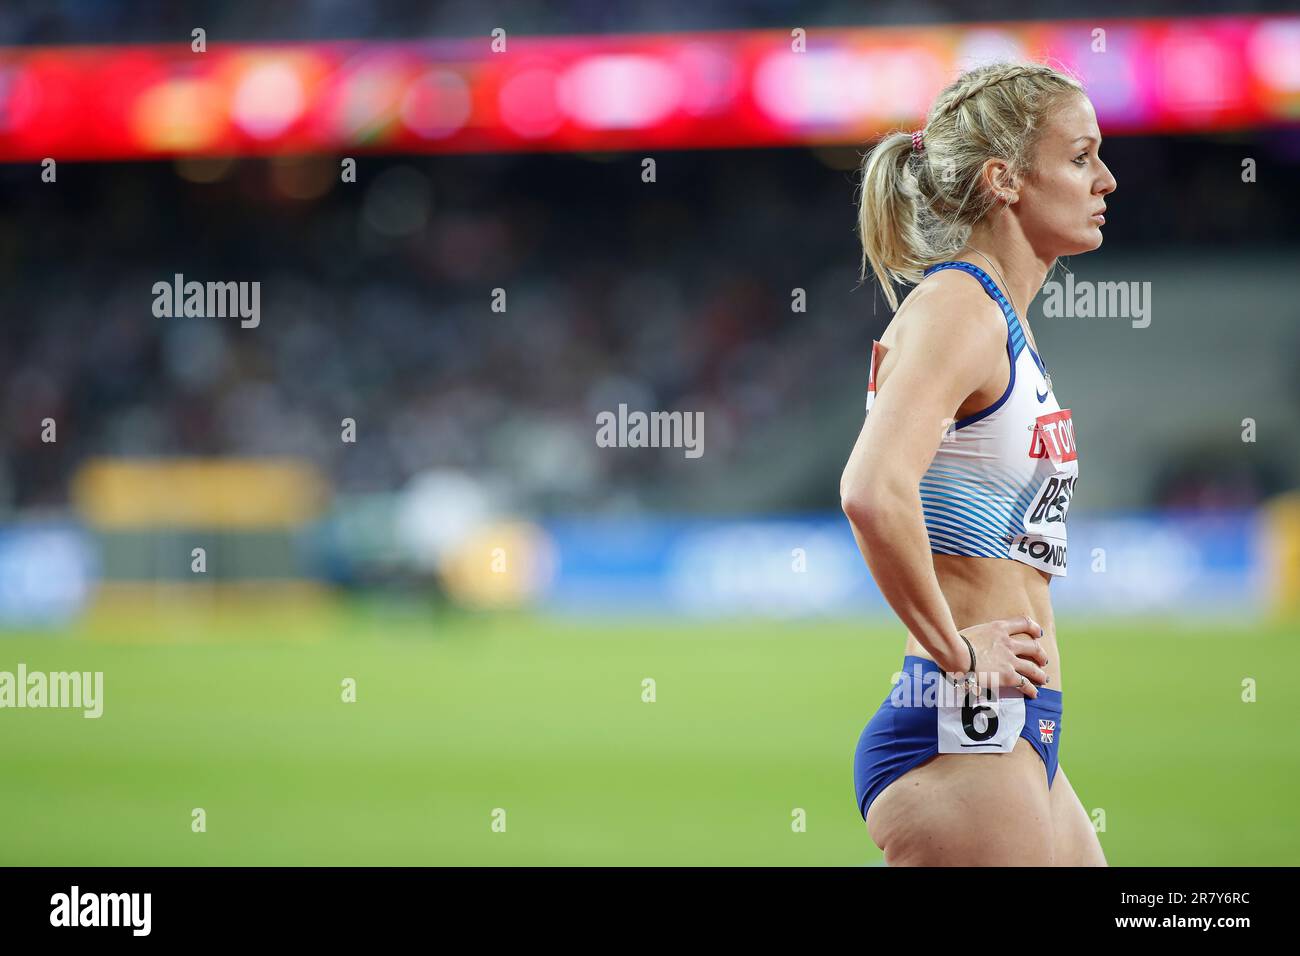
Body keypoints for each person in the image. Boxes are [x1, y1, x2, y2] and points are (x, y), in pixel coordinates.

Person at [841, 61, 1116, 866]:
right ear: (1005, 180)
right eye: (1080, 156)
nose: (1106, 178)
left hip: (1013, 726)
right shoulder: (961, 307)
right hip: (961, 727)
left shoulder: (1000, 320)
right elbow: (870, 489)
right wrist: (959, 655)